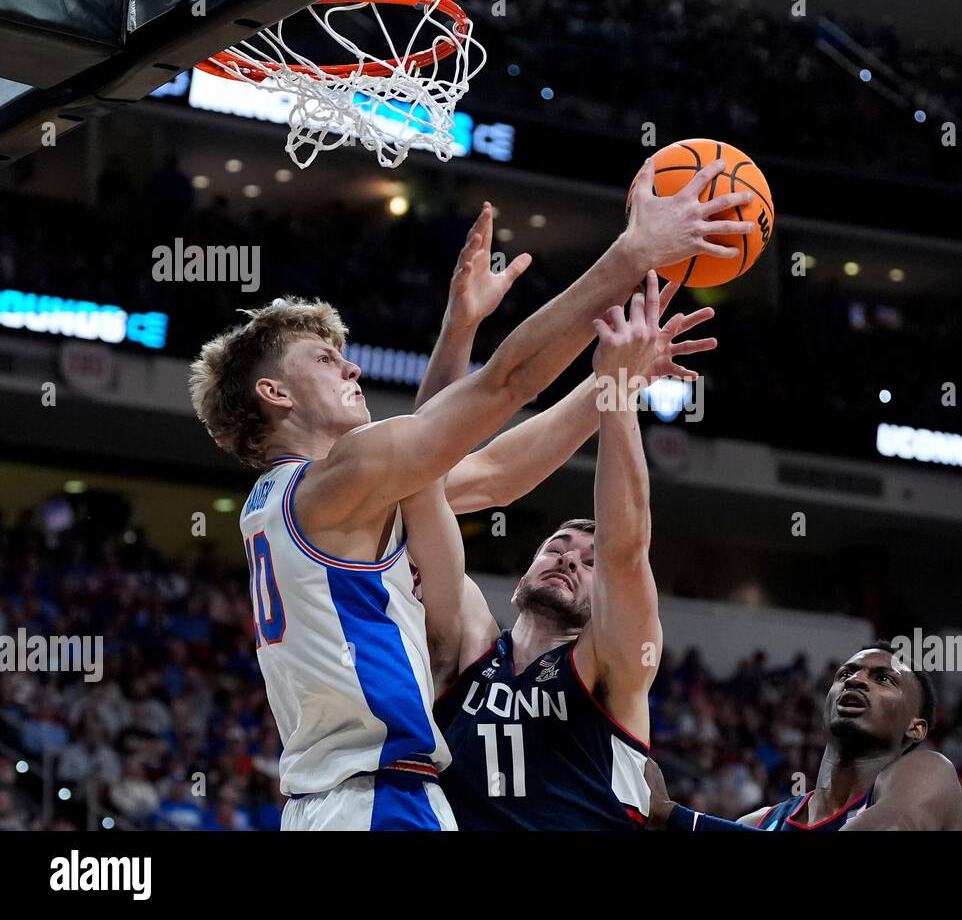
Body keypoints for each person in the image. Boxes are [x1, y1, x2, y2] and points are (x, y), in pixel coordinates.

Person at [188, 158, 753, 829]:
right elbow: (504, 386)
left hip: (346, 803)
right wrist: (632, 254)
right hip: (378, 801)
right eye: (323, 359)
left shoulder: (305, 500)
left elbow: (477, 472)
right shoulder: (334, 484)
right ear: (274, 394)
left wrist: (595, 377)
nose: (352, 364)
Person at [426, 273, 695, 828]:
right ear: (525, 572)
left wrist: (619, 393)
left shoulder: (610, 662)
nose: (570, 558)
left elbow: (626, 551)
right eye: (557, 547)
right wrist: (460, 327)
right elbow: (421, 487)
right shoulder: (471, 644)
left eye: (587, 561)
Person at [644, 644, 962, 831]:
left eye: (884, 679)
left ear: (916, 727)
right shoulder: (759, 822)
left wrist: (676, 817)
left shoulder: (933, 774)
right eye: (845, 674)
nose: (856, 681)